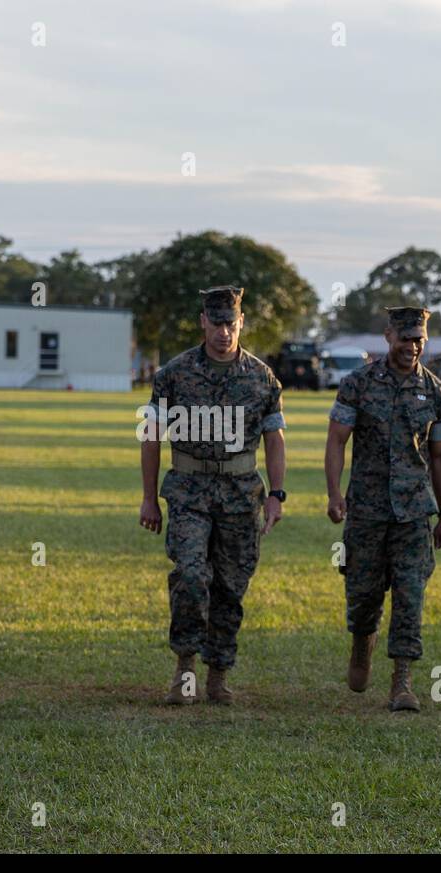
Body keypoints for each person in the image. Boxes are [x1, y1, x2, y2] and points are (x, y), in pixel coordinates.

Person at [139, 285, 287, 705]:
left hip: (242, 497)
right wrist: (149, 499)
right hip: (188, 493)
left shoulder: (262, 377)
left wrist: (277, 495)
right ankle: (185, 668)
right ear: (203, 321)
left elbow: (275, 440)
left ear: (241, 323)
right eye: (216, 322)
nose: (223, 331)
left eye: (230, 323)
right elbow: (150, 436)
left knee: (230, 586)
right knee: (190, 575)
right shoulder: (174, 374)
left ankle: (219, 673)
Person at [325, 307, 441, 712]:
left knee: (410, 594)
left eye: (419, 339)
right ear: (388, 337)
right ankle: (362, 643)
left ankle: (402, 681)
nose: (412, 347)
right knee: (363, 594)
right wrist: (334, 494)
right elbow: (336, 442)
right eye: (405, 338)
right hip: (366, 508)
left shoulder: (438, 394)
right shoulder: (357, 384)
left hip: (414, 512)